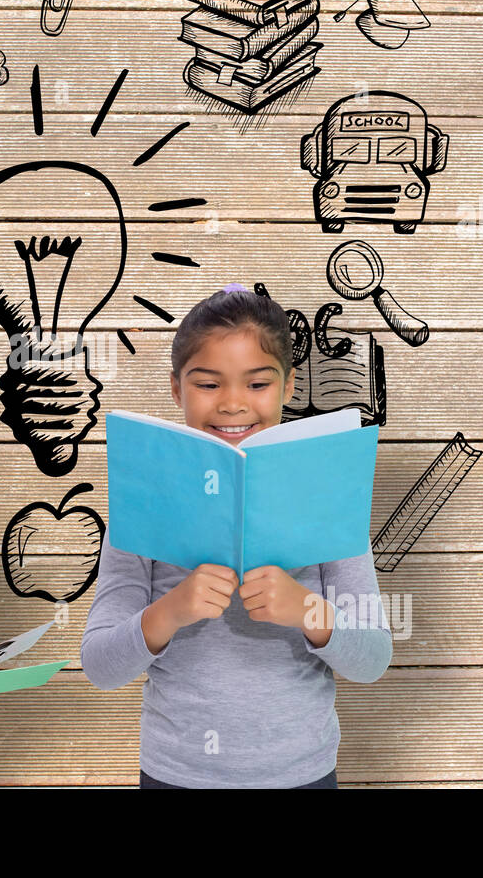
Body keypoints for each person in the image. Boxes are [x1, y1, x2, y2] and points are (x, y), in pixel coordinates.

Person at [80, 283, 393, 788]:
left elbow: (374, 657)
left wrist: (305, 609)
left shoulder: (326, 492)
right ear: (177, 388)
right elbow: (99, 665)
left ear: (289, 387)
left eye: (256, 384)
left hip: (302, 775)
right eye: (207, 384)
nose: (231, 405)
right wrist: (172, 611)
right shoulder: (144, 502)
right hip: (175, 775)